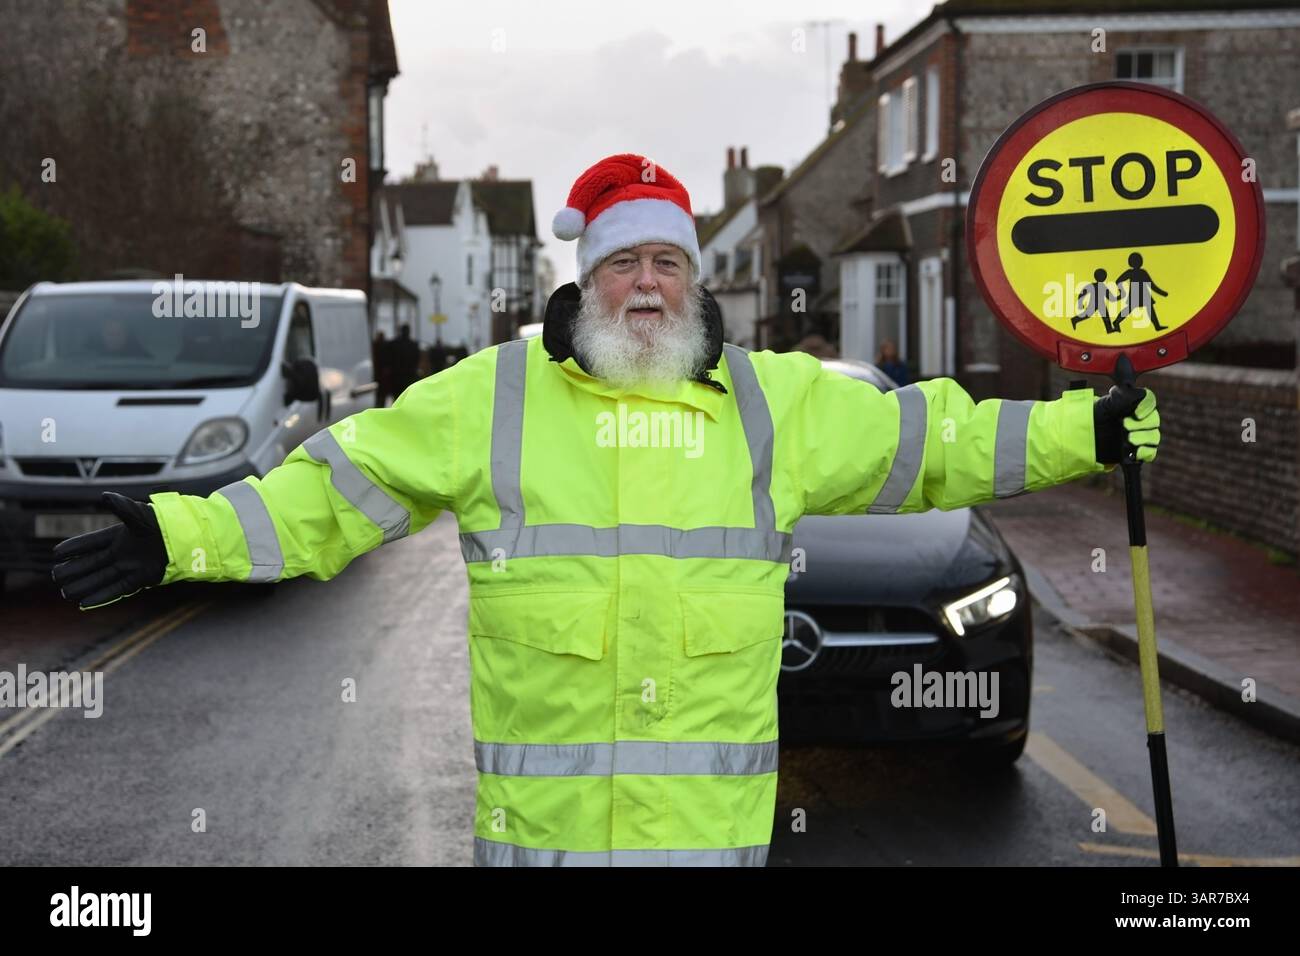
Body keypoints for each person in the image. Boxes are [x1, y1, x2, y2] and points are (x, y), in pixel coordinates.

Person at [49, 152, 1161, 867]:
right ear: (583, 281)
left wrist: (1085, 431)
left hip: (713, 853)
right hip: (544, 854)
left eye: (667, 262)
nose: (645, 283)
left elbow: (939, 438)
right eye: (622, 259)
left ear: (695, 280)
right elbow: (327, 492)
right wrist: (174, 531)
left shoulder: (774, 405)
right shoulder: (489, 399)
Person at [389, 323, 421, 397]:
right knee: (408, 396)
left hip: (396, 375)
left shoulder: (393, 344)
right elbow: (416, 360)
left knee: (397, 397)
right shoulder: (413, 345)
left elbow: (390, 359)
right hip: (409, 375)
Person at [372, 330, 394, 407]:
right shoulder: (386, 346)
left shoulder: (374, 346)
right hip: (383, 377)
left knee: (379, 397)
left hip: (377, 375)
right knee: (382, 396)